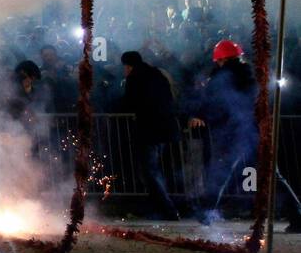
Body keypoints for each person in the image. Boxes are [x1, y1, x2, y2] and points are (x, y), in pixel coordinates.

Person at [189, 39, 301, 230]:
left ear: (222, 59)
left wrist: (199, 114)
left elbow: (212, 101)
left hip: (235, 132)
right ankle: (296, 214)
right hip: (256, 130)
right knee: (270, 174)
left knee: (221, 171)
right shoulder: (252, 74)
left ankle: (207, 211)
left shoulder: (223, 77)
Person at [119, 50, 180, 219]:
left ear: (128, 66)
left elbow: (130, 103)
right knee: (155, 170)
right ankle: (159, 207)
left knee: (149, 171)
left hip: (149, 129)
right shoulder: (157, 74)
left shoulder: (135, 78)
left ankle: (168, 209)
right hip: (166, 128)